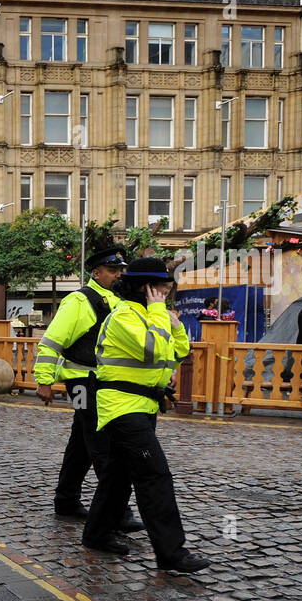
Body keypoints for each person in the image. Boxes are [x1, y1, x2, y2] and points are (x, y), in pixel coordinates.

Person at [83, 257, 208, 575]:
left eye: (167, 287)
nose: (166, 293)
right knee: (155, 476)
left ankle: (96, 534)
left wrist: (176, 327)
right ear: (144, 289)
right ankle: (171, 554)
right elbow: (151, 350)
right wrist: (160, 316)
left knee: (118, 477)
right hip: (123, 409)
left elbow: (177, 353)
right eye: (161, 288)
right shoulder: (126, 315)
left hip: (142, 406)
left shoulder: (151, 315)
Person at [35, 245, 143, 533]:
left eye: (121, 269)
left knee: (81, 445)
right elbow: (51, 342)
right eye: (112, 270)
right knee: (103, 444)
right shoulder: (79, 301)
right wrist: (44, 380)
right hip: (81, 381)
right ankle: (117, 510)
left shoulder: (119, 300)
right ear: (96, 272)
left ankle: (66, 500)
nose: (119, 274)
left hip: (103, 381)